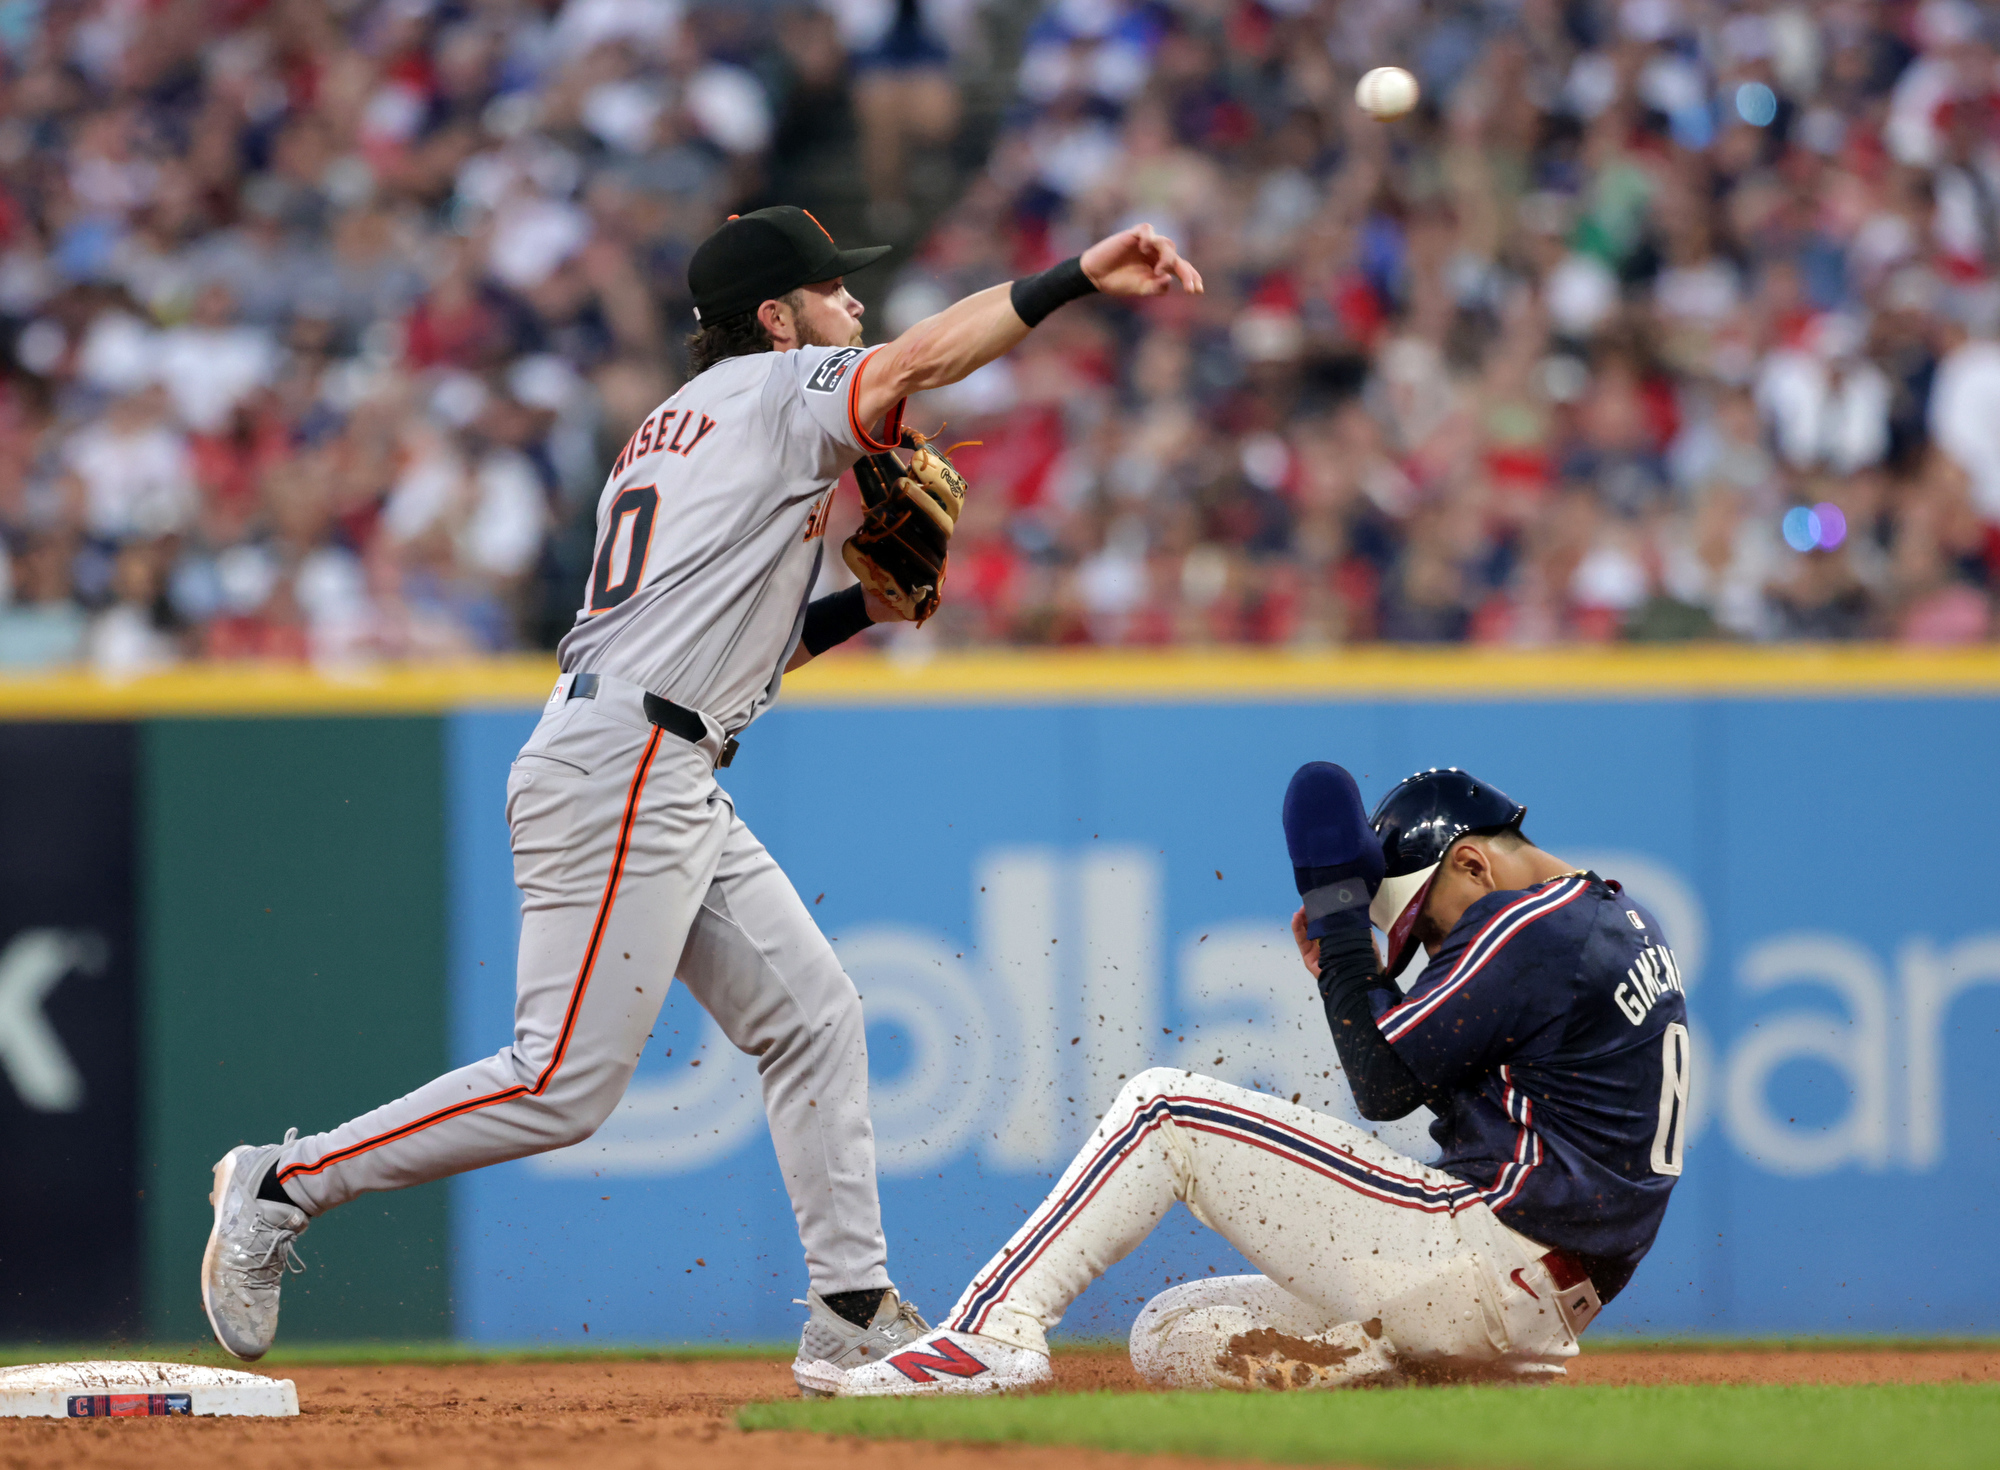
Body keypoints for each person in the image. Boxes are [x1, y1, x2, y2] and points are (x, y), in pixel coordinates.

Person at [198, 205, 1204, 1387]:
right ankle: (283, 1182)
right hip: (626, 764)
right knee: (559, 1085)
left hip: (650, 753)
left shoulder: (678, 426)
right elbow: (924, 360)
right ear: (776, 318)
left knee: (814, 1017)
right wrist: (1075, 274)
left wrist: (863, 609)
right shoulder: (778, 390)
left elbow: (732, 653)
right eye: (833, 290)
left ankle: (852, 1309)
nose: (854, 306)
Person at [809, 764, 1690, 1395]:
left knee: (1163, 1109)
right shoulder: (1611, 916)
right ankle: (1429, 1367)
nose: (1431, 945)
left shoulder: (1527, 923)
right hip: (1528, 1298)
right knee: (1170, 1333)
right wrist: (1350, 972)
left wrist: (1342, 928)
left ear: (1472, 863)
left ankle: (988, 1334)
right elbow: (1434, 1075)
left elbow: (1383, 1087)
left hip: (1483, 1249)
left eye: (1424, 923)